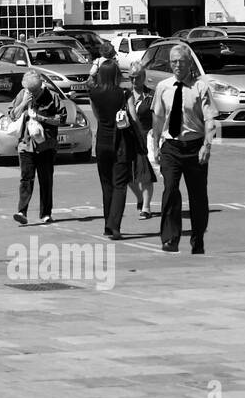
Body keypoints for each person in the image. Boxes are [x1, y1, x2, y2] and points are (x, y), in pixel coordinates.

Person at [148, 43, 218, 254]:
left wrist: (207, 145)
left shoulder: (200, 87)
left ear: (189, 64)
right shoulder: (163, 87)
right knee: (170, 190)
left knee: (198, 196)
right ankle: (170, 238)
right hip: (171, 146)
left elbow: (210, 120)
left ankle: (198, 239)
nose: (177, 65)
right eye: (173, 62)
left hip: (195, 146)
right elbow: (158, 117)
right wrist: (156, 145)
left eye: (181, 62)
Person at [87, 60, 136, 240]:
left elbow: (97, 116)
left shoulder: (94, 93)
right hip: (121, 142)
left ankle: (108, 225)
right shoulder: (124, 93)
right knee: (120, 184)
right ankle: (114, 226)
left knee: (106, 185)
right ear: (116, 75)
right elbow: (133, 116)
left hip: (102, 142)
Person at [10, 70, 64, 225]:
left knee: (46, 180)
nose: (31, 93)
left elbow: (61, 119)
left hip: (46, 146)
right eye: (29, 90)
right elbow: (12, 115)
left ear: (41, 85)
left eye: (34, 90)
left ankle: (46, 213)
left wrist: (42, 118)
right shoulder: (23, 94)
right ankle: (22, 211)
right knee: (26, 179)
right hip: (26, 145)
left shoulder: (52, 97)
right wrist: (23, 103)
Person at [127, 66, 156, 219]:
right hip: (128, 139)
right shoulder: (124, 94)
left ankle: (146, 207)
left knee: (145, 176)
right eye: (131, 77)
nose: (134, 80)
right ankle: (139, 197)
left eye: (137, 77)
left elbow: (158, 116)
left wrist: (156, 134)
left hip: (146, 139)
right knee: (128, 176)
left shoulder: (151, 95)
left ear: (144, 76)